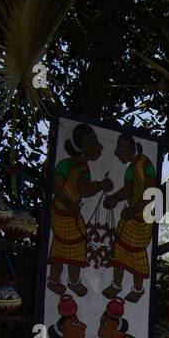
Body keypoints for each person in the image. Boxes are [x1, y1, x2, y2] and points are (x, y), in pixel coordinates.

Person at [48, 123, 113, 296]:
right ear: (81, 147)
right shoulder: (66, 164)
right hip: (62, 210)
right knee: (62, 245)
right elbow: (57, 186)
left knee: (78, 243)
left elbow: (84, 190)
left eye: (95, 141)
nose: (97, 146)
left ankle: (73, 280)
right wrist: (69, 204)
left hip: (73, 211)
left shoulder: (84, 168)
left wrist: (100, 185)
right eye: (91, 142)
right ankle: (54, 281)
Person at [101, 133, 157, 302]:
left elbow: (150, 193)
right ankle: (117, 285)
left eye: (122, 148)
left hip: (142, 217)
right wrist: (114, 198)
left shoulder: (145, 164)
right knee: (119, 249)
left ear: (132, 149)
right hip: (131, 215)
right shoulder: (131, 168)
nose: (118, 152)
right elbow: (128, 190)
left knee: (136, 253)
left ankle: (138, 289)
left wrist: (134, 210)